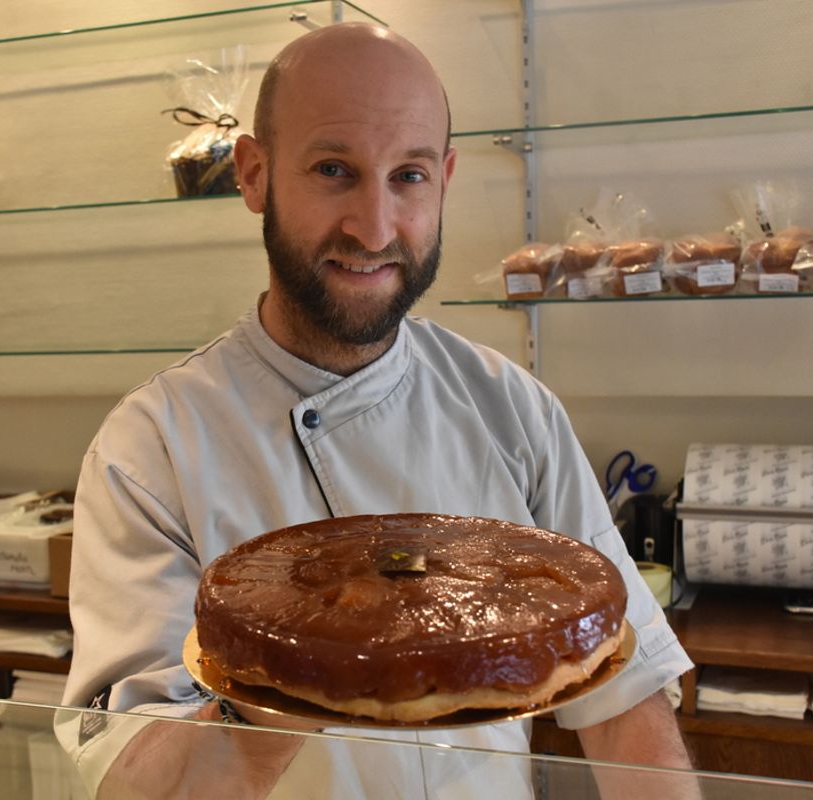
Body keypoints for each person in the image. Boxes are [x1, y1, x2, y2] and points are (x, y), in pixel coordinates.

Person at [61, 21, 695, 799]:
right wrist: (302, 658)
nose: (375, 227)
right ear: (254, 175)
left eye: (409, 176)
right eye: (334, 170)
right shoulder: (152, 447)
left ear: (446, 178)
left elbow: (623, 695)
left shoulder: (509, 407)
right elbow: (133, 782)